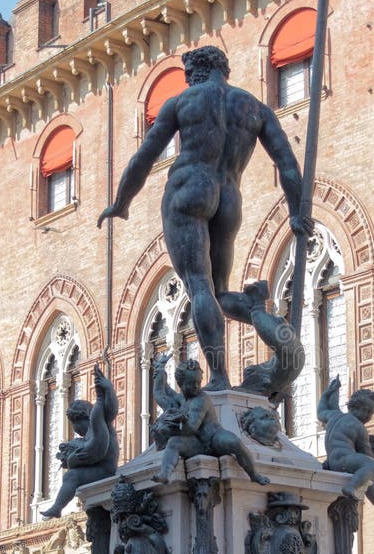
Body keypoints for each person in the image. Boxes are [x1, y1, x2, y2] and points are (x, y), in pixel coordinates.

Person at [98, 45, 312, 390]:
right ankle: (258, 312)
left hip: (189, 190)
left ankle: (219, 378)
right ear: (223, 70)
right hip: (229, 198)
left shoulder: (183, 102)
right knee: (222, 293)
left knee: (199, 285)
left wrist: (121, 203)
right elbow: (287, 164)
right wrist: (297, 211)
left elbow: (144, 157)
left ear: (194, 71)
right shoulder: (254, 108)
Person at [150, 354, 269, 486]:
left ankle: (253, 474)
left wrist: (177, 422)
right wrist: (160, 372)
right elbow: (161, 393)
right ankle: (165, 474)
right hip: (198, 444)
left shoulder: (201, 399)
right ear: (181, 384)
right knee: (173, 443)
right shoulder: (181, 400)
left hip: (214, 438)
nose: (196, 386)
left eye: (198, 382)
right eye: (191, 383)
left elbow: (190, 428)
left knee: (235, 443)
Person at [40, 363, 119, 518]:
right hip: (102, 467)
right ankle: (57, 507)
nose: (76, 431)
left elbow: (111, 409)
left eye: (74, 425)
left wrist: (106, 390)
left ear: (80, 419)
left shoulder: (97, 420)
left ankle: (57, 507)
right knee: (71, 475)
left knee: (71, 476)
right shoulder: (94, 426)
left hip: (106, 468)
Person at [317, 376, 374, 520]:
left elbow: (321, 411)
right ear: (354, 407)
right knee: (373, 468)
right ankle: (352, 487)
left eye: (371, 413)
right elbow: (367, 456)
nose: (369, 416)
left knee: (368, 475)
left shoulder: (334, 416)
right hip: (343, 461)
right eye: (367, 411)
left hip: (331, 461)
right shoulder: (358, 427)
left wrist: (326, 394)